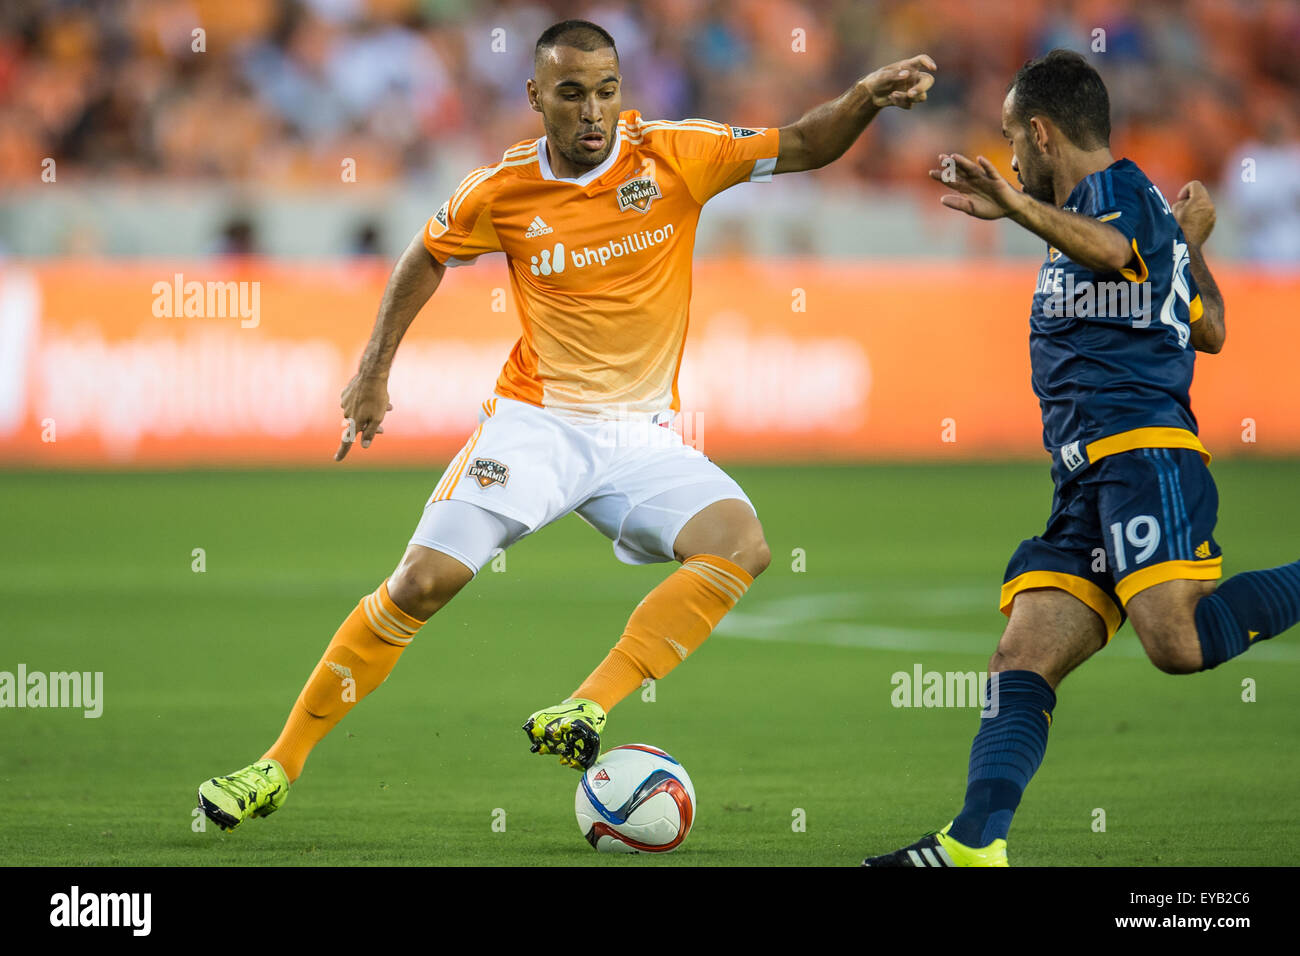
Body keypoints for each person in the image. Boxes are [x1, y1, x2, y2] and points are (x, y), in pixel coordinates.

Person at [197, 18, 937, 831]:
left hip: (637, 436)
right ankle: (277, 765)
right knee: (420, 584)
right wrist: (373, 371)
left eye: (607, 92)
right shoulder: (503, 189)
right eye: (573, 93)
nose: (593, 112)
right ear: (536, 97)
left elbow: (803, 143)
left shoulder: (676, 155)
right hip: (536, 425)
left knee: (741, 545)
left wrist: (866, 96)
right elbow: (427, 254)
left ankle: (585, 706)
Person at [862, 50, 1300, 867]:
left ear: (1041, 132)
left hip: (1141, 455)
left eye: (1010, 140)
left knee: (1178, 642)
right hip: (1081, 479)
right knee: (1021, 656)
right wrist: (1187, 245)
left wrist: (1017, 207)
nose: (1009, 161)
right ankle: (975, 845)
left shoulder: (1118, 193)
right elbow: (1208, 327)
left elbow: (1110, 251)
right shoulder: (1130, 218)